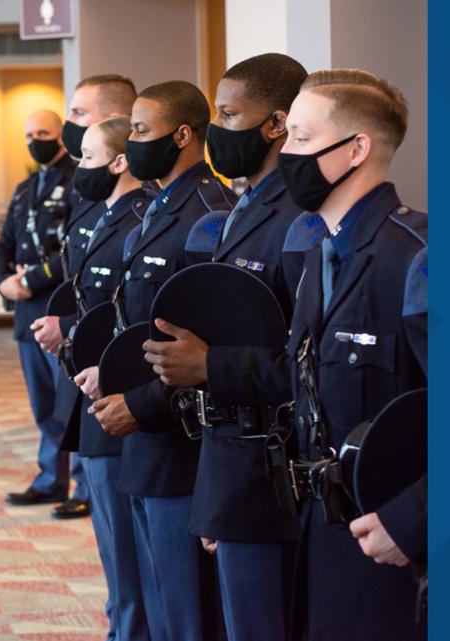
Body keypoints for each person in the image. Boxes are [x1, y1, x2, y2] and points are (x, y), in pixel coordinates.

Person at [137, 53, 309, 641]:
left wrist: (208, 364)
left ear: (278, 123)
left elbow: (301, 364)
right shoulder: (244, 205)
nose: (218, 131)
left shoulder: (297, 216)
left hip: (269, 464)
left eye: (232, 114)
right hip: (231, 457)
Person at [278, 68, 427, 641]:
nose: (285, 152)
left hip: (398, 550)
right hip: (324, 532)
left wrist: (413, 520)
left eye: (301, 138)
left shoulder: (419, 258)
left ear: (356, 149)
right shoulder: (318, 253)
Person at [90, 80, 238, 641]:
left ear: (182, 135)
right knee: (161, 604)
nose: (132, 143)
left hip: (181, 440)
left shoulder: (209, 212)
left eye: (142, 131)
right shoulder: (157, 209)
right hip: (145, 434)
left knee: (189, 610)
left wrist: (141, 405)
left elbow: (201, 346)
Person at [32, 73, 140, 520]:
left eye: (78, 113)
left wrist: (70, 327)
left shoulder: (138, 210)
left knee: (123, 530)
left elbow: (128, 306)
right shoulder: (92, 195)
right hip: (82, 365)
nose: (68, 124)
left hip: (111, 372)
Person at [63, 117, 154, 641]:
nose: (80, 167)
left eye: (90, 156)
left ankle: (129, 632)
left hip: (117, 396)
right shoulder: (102, 215)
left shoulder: (137, 220)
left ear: (120, 161)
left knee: (127, 551)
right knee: (114, 550)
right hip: (91, 394)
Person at [0, 109, 90, 515]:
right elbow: (4, 244)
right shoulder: (25, 187)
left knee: (72, 401)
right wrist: (4, 282)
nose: (36, 141)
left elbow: (75, 248)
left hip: (58, 304)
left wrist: (32, 277)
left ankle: (83, 487)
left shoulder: (78, 182)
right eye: (30, 134)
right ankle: (50, 478)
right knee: (43, 403)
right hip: (26, 312)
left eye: (44, 133)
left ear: (62, 136)